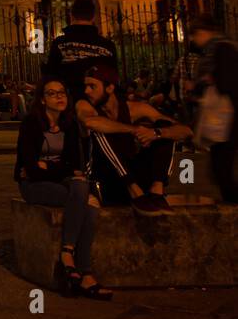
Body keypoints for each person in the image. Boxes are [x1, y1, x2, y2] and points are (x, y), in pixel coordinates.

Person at [15, 77, 110, 300]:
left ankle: (70, 257)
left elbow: (74, 165)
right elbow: (30, 169)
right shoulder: (31, 124)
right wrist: (56, 168)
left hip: (60, 182)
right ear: (41, 99)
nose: (59, 97)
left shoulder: (69, 124)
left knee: (81, 189)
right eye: (52, 93)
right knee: (86, 202)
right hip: (33, 186)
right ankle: (84, 272)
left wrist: (47, 165)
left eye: (62, 93)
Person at [77, 64, 191, 216]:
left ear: (110, 88)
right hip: (106, 180)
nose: (86, 91)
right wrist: (135, 130)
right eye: (86, 86)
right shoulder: (84, 105)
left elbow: (186, 131)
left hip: (134, 173)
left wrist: (155, 133)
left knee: (165, 127)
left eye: (92, 86)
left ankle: (157, 192)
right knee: (99, 130)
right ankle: (134, 191)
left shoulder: (134, 108)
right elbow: (90, 122)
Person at [187, 14, 238, 202]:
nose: (193, 41)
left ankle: (232, 209)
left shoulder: (220, 49)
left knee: (221, 166)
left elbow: (226, 83)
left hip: (228, 117)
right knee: (220, 166)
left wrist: (202, 83)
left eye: (194, 35)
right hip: (228, 117)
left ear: (202, 32)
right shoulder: (221, 48)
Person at [44, 0, 118, 102]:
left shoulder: (59, 43)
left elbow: (51, 76)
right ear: (93, 17)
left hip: (69, 101)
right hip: (100, 100)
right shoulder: (107, 45)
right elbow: (113, 77)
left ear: (71, 16)